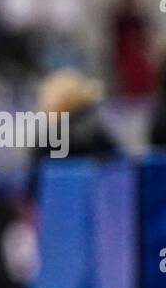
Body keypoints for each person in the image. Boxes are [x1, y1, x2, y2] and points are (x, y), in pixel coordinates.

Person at [25, 69, 122, 202]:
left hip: (58, 209)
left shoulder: (49, 137)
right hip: (101, 206)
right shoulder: (98, 132)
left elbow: (33, 185)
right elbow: (119, 170)